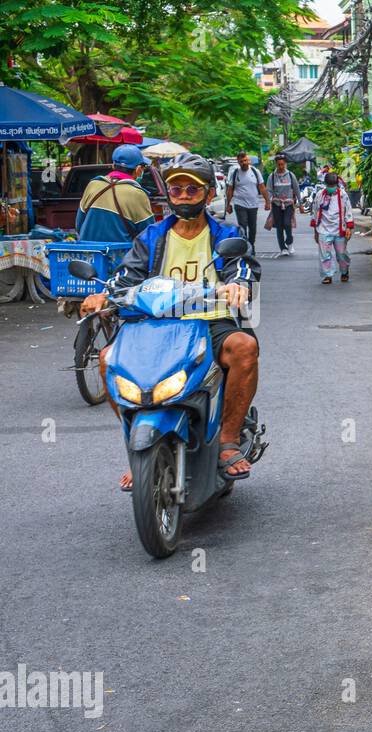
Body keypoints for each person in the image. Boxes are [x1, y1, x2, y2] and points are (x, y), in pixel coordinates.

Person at [81, 153, 262, 488]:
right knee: (108, 359)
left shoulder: (226, 234)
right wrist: (103, 296)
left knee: (244, 347)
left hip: (208, 321)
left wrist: (238, 284)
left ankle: (228, 439)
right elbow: (126, 276)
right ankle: (140, 450)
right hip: (155, 323)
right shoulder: (151, 236)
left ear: (209, 194)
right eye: (176, 189)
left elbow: (242, 266)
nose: (183, 196)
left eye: (192, 190)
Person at [75, 144, 155, 243]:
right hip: (121, 252)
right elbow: (148, 235)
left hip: (88, 251)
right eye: (143, 167)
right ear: (138, 169)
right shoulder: (137, 194)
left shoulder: (93, 184)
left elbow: (79, 225)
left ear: (113, 165)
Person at [310, 171, 353, 284]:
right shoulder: (319, 195)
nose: (331, 188)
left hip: (340, 229)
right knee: (324, 255)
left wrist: (349, 228)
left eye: (333, 185)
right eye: (329, 185)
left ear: (336, 184)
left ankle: (344, 272)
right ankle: (327, 275)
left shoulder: (343, 195)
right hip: (323, 229)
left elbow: (348, 211)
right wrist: (315, 232)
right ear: (325, 184)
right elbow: (315, 212)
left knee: (342, 254)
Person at [224, 151, 270, 255]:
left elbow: (262, 187)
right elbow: (230, 189)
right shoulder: (235, 173)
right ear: (238, 162)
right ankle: (245, 247)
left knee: (252, 227)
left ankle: (251, 245)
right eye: (241, 161)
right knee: (243, 225)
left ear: (248, 160)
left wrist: (267, 201)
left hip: (253, 204)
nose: (244, 163)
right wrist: (228, 204)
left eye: (245, 160)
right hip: (240, 204)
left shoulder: (255, 171)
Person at [265, 152, 299, 257]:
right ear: (276, 164)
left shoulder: (290, 175)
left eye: (282, 164)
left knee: (287, 223)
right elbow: (269, 190)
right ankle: (283, 248)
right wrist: (268, 201)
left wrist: (301, 204)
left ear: (285, 164)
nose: (280, 166)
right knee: (279, 226)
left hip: (288, 204)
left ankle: (289, 242)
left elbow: (296, 189)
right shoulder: (272, 177)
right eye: (279, 164)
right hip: (277, 204)